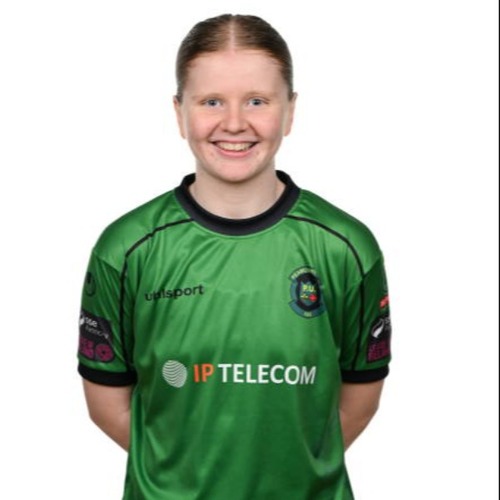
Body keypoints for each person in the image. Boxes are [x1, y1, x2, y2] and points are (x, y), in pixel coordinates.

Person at [78, 13, 392, 500]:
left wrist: (285, 478)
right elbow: (107, 405)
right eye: (211, 102)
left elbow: (359, 400)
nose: (234, 123)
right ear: (179, 112)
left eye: (257, 101)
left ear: (290, 111)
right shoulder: (126, 248)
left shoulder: (346, 247)